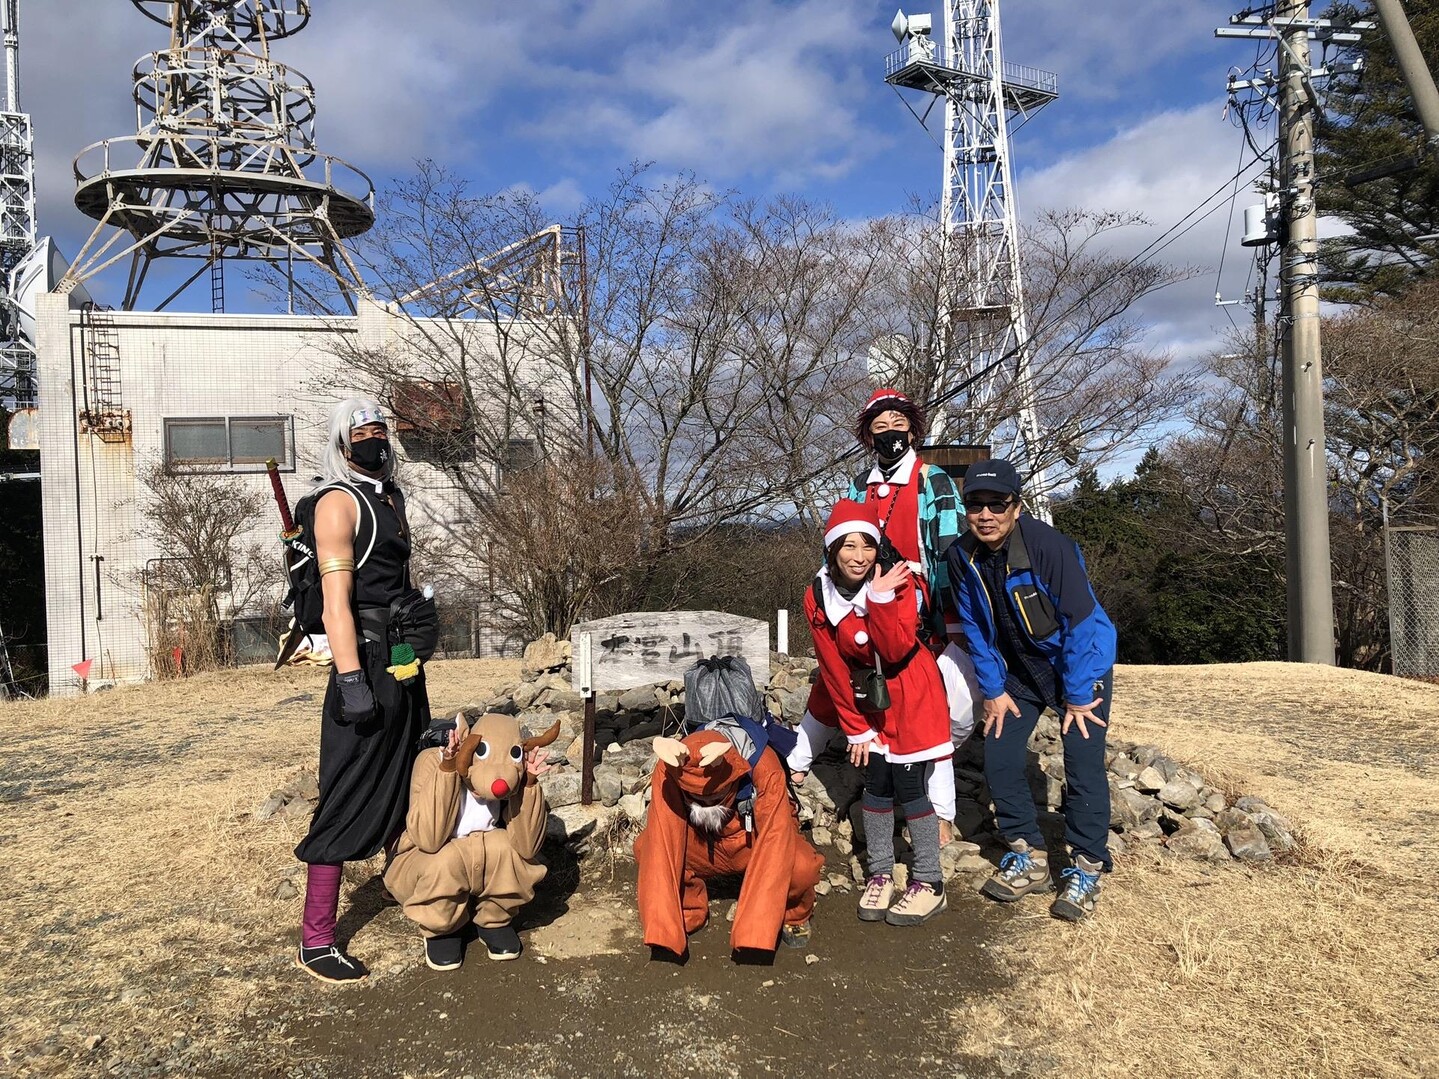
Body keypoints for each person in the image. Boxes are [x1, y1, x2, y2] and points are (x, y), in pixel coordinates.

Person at [790, 387, 980, 844]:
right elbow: (839, 546)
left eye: (897, 425)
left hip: (918, 603)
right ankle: (799, 761)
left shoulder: (930, 479)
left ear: (913, 430)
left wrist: (950, 618)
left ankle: (936, 809)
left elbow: (949, 550)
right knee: (836, 677)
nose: (890, 434)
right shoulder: (861, 484)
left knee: (934, 703)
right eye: (879, 428)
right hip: (861, 598)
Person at [293, 399, 432, 982]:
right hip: (365, 658)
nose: (376, 440)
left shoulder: (389, 499)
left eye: (382, 430)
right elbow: (336, 603)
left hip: (400, 655)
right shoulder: (337, 503)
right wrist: (350, 679)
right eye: (364, 433)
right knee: (349, 784)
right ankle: (316, 938)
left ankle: (418, 890)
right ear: (342, 443)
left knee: (408, 768)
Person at [946, 458, 1117, 922]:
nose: (986, 515)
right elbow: (976, 631)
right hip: (1018, 669)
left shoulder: (1049, 548)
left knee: (1082, 764)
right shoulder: (961, 557)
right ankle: (1030, 854)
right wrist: (994, 688)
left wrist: (1079, 694)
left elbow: (1081, 623)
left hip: (1078, 666)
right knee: (1000, 756)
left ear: (1016, 506)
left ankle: (1086, 866)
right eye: (975, 505)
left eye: (997, 504)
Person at [805, 498, 951, 926]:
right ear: (832, 550)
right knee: (877, 780)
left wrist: (882, 599)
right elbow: (831, 667)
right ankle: (881, 873)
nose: (859, 557)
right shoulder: (819, 595)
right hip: (870, 698)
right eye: (848, 546)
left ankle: (930, 881)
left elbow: (896, 648)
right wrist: (854, 729)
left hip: (911, 693)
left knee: (909, 784)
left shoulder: (897, 582)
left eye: (867, 546)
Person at [385, 712, 559, 969]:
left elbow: (527, 845)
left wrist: (529, 784)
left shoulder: (515, 774)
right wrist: (448, 769)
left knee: (508, 850)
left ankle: (494, 917)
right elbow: (428, 838)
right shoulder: (431, 761)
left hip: (481, 852)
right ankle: (441, 926)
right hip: (424, 856)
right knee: (445, 859)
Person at [634, 727, 825, 960]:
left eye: (713, 798)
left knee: (800, 865)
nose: (705, 805)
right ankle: (688, 909)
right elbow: (663, 839)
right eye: (698, 799)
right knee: (647, 847)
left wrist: (755, 931)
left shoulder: (764, 765)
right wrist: (663, 926)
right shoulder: (671, 765)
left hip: (750, 842)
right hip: (703, 844)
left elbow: (775, 839)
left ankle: (792, 914)